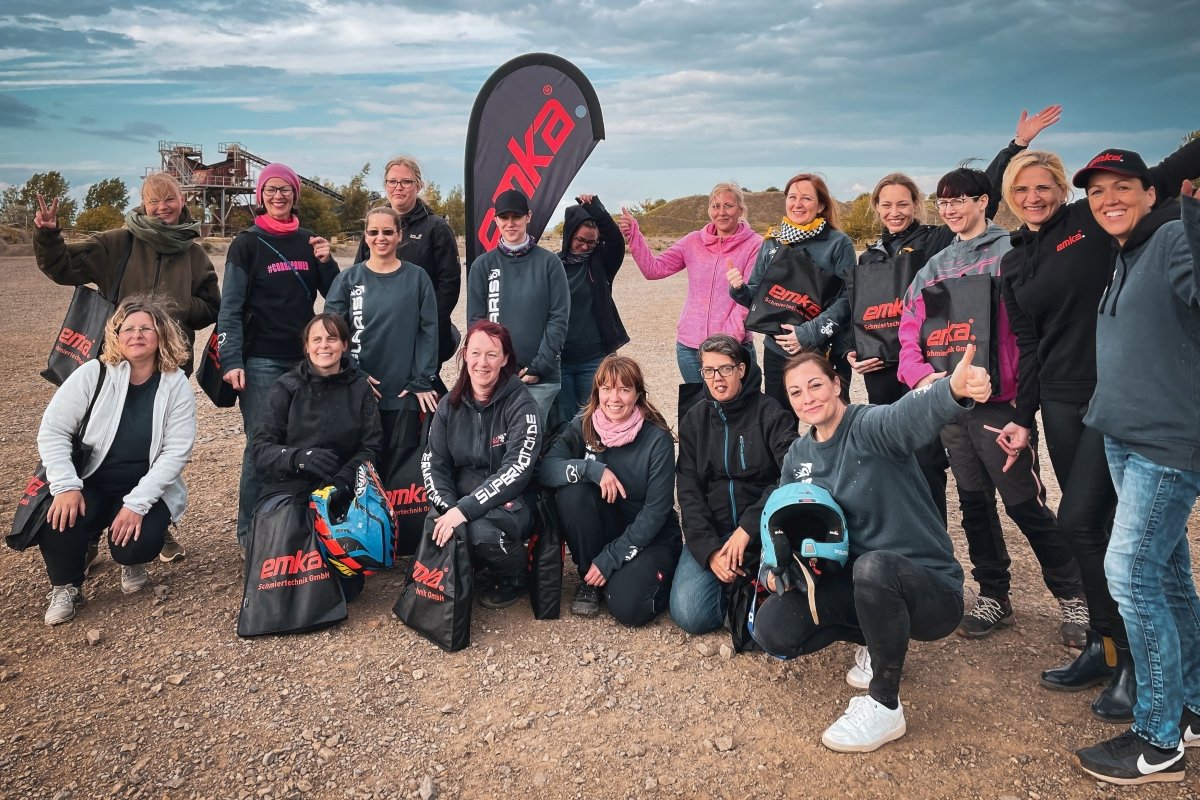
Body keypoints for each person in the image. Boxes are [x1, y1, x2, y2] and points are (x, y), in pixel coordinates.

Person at [998, 140, 1200, 722]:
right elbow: (1030, 346)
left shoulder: (1094, 218)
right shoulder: (1014, 262)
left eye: (1043, 186)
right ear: (1011, 200)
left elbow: (1159, 174)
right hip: (1061, 402)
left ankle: (1139, 662)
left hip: (1114, 395)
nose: (1033, 197)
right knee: (1099, 526)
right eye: (1021, 189)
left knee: (1083, 522)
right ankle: (1104, 645)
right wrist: (1022, 416)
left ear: (1063, 190)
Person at [750, 345, 993, 752]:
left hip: (929, 590)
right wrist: (771, 565)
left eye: (815, 385)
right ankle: (876, 638)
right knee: (775, 628)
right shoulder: (799, 454)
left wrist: (953, 389)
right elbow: (784, 513)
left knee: (874, 568)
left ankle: (884, 705)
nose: (808, 398)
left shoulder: (869, 427)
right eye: (796, 392)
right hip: (861, 581)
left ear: (837, 384)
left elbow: (908, 415)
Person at [841, 105, 1063, 520]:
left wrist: (1016, 146)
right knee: (922, 464)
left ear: (917, 205)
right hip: (896, 370)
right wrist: (854, 347)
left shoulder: (937, 240)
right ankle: (934, 539)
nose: (894, 211)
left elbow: (979, 192)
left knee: (950, 467)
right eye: (885, 204)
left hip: (965, 374)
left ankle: (1060, 573)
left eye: (903, 203)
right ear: (875, 207)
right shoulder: (870, 254)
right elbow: (861, 307)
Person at [896, 166, 1085, 645]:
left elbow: (1032, 326)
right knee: (974, 504)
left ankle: (1075, 597)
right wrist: (926, 378)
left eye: (960, 199)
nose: (951, 209)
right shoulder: (935, 265)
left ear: (984, 201)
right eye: (943, 202)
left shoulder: (1010, 251)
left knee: (1025, 502)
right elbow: (908, 330)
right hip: (951, 404)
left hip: (1000, 404)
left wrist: (1023, 394)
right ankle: (994, 594)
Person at [1071, 157, 1200, 786]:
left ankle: (1158, 740)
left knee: (1131, 575)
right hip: (1124, 436)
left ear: (1154, 193)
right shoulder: (1127, 252)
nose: (1108, 199)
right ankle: (1195, 705)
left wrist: (1195, 214)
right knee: (1169, 574)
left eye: (1124, 188)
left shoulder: (1175, 236)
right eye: (1098, 191)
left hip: (1167, 443)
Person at [33, 172, 218, 563]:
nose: (162, 208)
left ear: (182, 200)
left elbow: (210, 306)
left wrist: (177, 306)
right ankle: (86, 530)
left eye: (169, 200)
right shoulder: (118, 242)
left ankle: (151, 519)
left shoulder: (194, 252)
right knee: (97, 440)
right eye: (155, 201)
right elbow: (63, 267)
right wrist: (48, 235)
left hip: (168, 364)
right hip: (112, 365)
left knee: (153, 445)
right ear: (143, 203)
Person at [36, 296, 196, 625]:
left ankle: (131, 561)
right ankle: (65, 586)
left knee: (135, 545)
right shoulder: (93, 373)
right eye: (129, 328)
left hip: (141, 487)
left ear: (161, 335)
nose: (136, 335)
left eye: (146, 329)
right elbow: (53, 430)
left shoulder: (175, 383)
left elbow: (176, 451)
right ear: (116, 334)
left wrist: (137, 504)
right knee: (56, 516)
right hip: (89, 482)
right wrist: (65, 486)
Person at [217, 163, 340, 554]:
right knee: (263, 446)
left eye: (285, 189)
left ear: (295, 195)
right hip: (260, 360)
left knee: (303, 442)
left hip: (305, 361)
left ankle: (294, 527)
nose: (278, 196)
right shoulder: (246, 244)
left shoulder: (308, 241)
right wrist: (231, 358)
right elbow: (230, 307)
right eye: (270, 189)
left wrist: (326, 262)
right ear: (260, 196)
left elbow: (336, 298)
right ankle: (250, 535)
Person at [538, 355, 681, 625]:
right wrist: (592, 469)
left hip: (648, 536)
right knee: (572, 493)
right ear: (597, 392)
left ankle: (646, 574)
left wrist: (612, 558)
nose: (614, 398)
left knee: (628, 609)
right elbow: (546, 470)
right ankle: (589, 578)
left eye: (624, 389)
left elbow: (656, 512)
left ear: (638, 394)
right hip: (605, 528)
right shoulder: (585, 423)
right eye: (606, 388)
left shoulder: (657, 438)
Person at [670, 334, 797, 634]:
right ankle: (738, 591)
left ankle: (748, 586)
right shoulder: (694, 419)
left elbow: (790, 473)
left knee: (783, 616)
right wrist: (711, 552)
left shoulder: (770, 413)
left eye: (725, 369)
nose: (717, 379)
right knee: (689, 614)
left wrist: (747, 529)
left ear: (741, 369)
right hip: (713, 529)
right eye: (709, 371)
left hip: (760, 530)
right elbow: (687, 490)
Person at [252, 313, 382, 602]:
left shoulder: (360, 388)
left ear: (345, 345)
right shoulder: (285, 387)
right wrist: (299, 457)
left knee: (346, 592)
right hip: (290, 489)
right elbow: (260, 448)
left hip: (339, 491)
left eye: (332, 338)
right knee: (283, 591)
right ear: (307, 347)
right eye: (317, 340)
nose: (325, 346)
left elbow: (371, 447)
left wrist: (342, 482)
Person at [421, 320, 542, 609]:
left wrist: (465, 511)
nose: (482, 362)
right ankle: (475, 565)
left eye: (491, 354)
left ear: (505, 359)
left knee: (479, 532)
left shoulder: (522, 404)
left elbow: (517, 470)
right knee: (437, 525)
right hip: (462, 499)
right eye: (475, 353)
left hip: (514, 502)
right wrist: (450, 509)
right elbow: (433, 464)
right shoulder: (448, 405)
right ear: (464, 355)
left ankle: (514, 578)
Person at [326, 207, 439, 484]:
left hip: (402, 396)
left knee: (400, 476)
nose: (381, 238)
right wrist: (354, 373)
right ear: (365, 236)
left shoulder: (417, 278)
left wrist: (422, 380)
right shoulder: (348, 280)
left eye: (388, 231)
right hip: (357, 393)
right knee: (359, 471)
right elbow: (330, 336)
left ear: (400, 236)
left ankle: (401, 527)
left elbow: (429, 332)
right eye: (374, 232)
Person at [728, 173, 856, 416]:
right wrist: (739, 289)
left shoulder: (839, 243)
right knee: (780, 420)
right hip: (778, 351)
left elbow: (847, 300)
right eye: (792, 197)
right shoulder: (773, 242)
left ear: (820, 205)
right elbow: (758, 297)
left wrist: (808, 333)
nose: (797, 204)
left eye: (806, 198)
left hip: (825, 350)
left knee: (833, 418)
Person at [618, 182, 761, 382]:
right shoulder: (693, 241)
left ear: (740, 210)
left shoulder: (755, 245)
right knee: (698, 411)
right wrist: (634, 235)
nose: (721, 212)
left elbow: (749, 301)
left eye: (728, 206)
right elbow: (654, 269)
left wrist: (725, 344)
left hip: (733, 347)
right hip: (690, 347)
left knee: (739, 411)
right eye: (715, 205)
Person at [466, 189, 569, 427]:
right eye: (504, 217)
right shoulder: (482, 266)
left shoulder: (550, 263)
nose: (510, 223)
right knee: (493, 450)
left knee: (532, 449)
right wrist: (494, 366)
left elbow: (559, 319)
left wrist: (539, 367)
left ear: (528, 217)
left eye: (517, 217)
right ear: (495, 220)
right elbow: (476, 324)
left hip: (540, 381)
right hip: (495, 378)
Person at [354, 155, 461, 369]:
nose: (398, 187)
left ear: (418, 185)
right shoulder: (375, 226)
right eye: (392, 181)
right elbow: (358, 277)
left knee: (419, 391)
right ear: (385, 185)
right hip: (379, 328)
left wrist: (428, 325)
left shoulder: (436, 228)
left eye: (406, 182)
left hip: (421, 330)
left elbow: (449, 284)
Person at [554, 193, 629, 425]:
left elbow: (616, 241)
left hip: (595, 359)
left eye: (591, 242)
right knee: (565, 423)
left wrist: (598, 210)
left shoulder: (600, 264)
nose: (585, 247)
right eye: (580, 240)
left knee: (597, 420)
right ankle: (568, 462)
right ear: (569, 236)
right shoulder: (552, 267)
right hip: (560, 361)